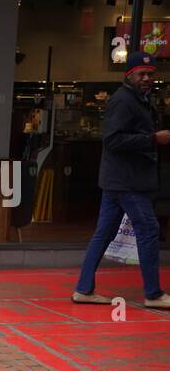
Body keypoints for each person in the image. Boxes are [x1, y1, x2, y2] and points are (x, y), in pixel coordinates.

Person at [73, 50, 170, 310]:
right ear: (129, 75)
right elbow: (112, 140)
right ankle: (153, 293)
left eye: (150, 74)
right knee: (149, 229)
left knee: (104, 233)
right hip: (127, 181)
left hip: (119, 179)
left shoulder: (138, 99)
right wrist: (152, 139)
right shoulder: (123, 101)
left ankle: (83, 289)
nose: (147, 79)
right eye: (142, 74)